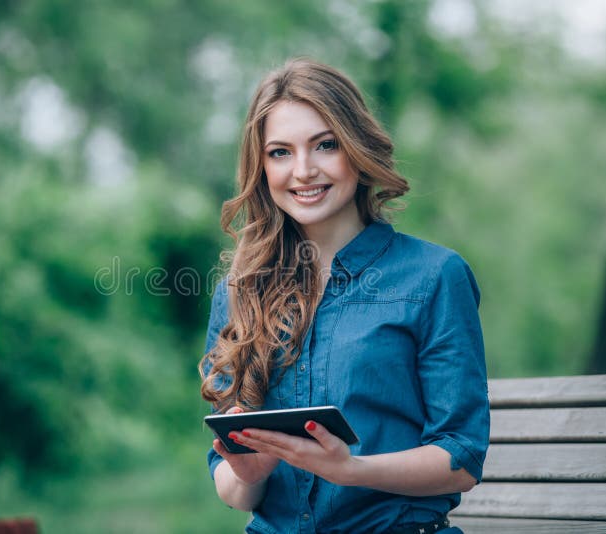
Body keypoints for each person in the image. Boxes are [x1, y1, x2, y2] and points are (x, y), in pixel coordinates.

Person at [198, 58, 489, 534]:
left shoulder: (435, 276)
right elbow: (232, 488)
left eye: (325, 145)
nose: (303, 171)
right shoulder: (238, 292)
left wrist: (350, 469)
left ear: (356, 148)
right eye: (280, 152)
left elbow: (461, 459)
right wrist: (249, 473)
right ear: (261, 167)